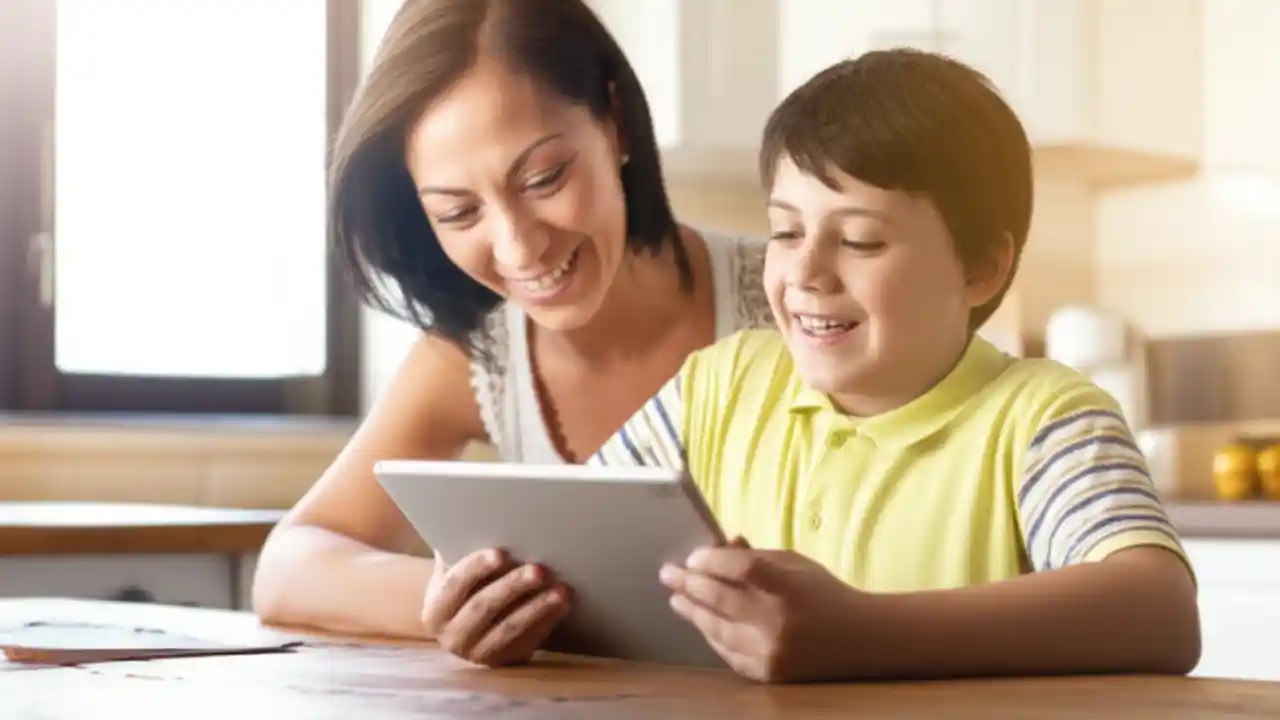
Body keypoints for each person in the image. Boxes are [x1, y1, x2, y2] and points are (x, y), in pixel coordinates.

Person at [592, 49, 1201, 683]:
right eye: (786, 232)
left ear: (980, 267)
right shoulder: (718, 385)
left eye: (861, 241)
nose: (805, 273)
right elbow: (575, 540)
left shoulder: (1044, 418)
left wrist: (858, 634)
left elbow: (1160, 613)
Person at [252, 0, 772, 667]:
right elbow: (289, 566)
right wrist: (448, 600)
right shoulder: (480, 353)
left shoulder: (796, 296)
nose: (519, 248)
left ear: (615, 124)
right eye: (459, 211)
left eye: (543, 178)